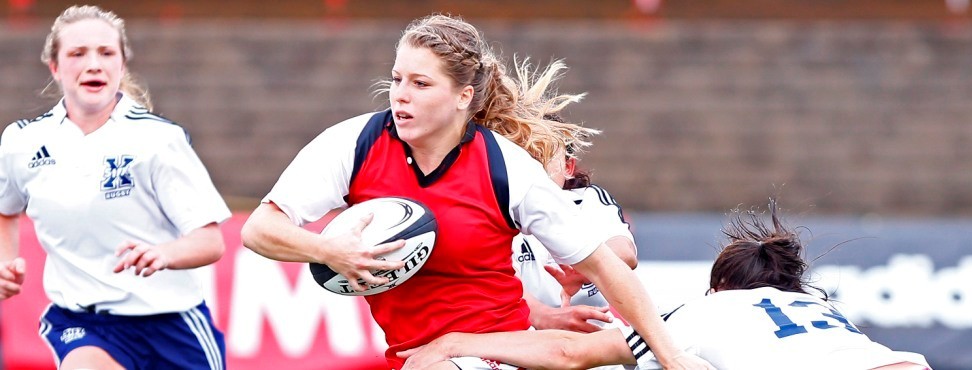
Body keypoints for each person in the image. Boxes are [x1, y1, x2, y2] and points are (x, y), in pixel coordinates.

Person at [240, 14, 711, 370]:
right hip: (417, 357)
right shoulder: (354, 144)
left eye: (421, 84)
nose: (400, 95)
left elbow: (605, 265)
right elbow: (261, 229)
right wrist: (327, 249)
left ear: (463, 97)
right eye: (397, 78)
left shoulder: (506, 168)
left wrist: (672, 358)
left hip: (499, 353)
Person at [398, 199, 932, 370]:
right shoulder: (824, 314)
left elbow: (568, 351)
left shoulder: (703, 314)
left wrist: (452, 343)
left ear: (720, 287)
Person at [0, 5, 230, 370]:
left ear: (121, 66)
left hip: (170, 327)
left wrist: (164, 254)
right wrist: (5, 262)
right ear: (55, 68)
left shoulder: (158, 139)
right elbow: (5, 209)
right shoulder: (21, 142)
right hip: (83, 324)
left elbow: (210, 241)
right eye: (77, 54)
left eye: (106, 53)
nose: (94, 64)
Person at [514, 114, 638, 338]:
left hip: (590, 341)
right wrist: (545, 317)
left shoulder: (589, 199)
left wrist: (582, 271)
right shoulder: (499, 208)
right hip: (523, 340)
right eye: (523, 155)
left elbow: (625, 253)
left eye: (542, 154)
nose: (532, 166)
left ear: (568, 167)